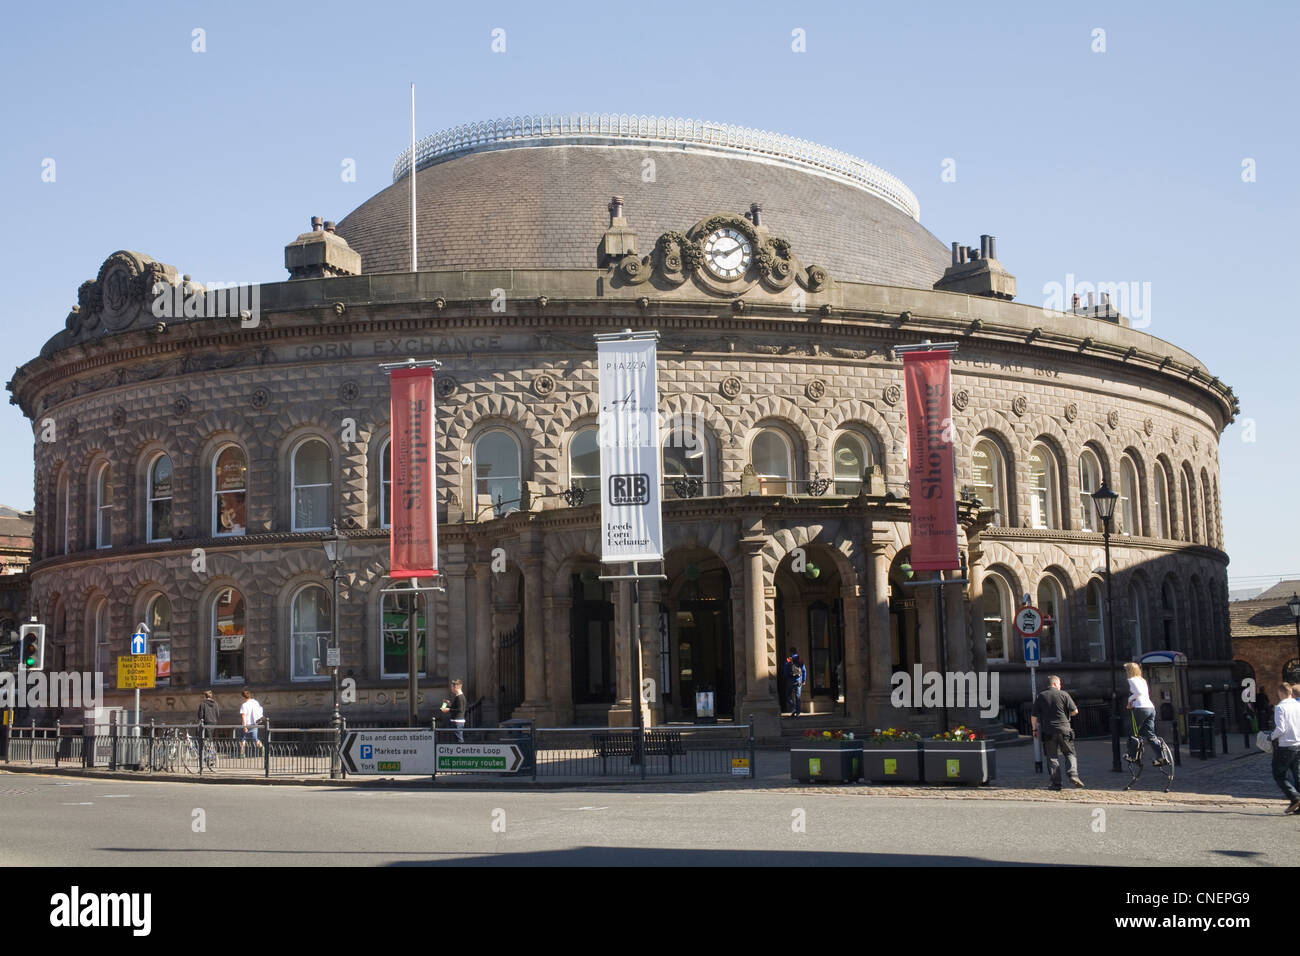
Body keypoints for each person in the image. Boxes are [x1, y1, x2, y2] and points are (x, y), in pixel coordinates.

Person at [1031, 674, 1084, 790]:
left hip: (1048, 731)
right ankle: (1072, 774)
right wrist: (1066, 715)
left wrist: (1034, 729)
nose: (1060, 686)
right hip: (1065, 730)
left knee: (1052, 757)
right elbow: (1075, 711)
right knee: (1070, 753)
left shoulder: (1041, 696)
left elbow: (1034, 716)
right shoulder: (1064, 694)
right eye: (1059, 684)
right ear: (1055, 684)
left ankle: (1056, 784)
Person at [1124, 662, 1166, 766]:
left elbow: (1138, 693)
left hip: (1140, 708)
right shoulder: (1142, 680)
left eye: (1126, 670)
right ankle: (1161, 757)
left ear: (1129, 670)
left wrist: (1129, 701)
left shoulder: (1131, 680)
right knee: (1150, 734)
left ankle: (1132, 756)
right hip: (1150, 708)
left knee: (1134, 733)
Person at [1269, 682, 1300, 814]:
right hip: (1298, 743)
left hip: (1285, 745)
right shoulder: (1298, 705)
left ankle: (1294, 797)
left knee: (1279, 773)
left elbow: (1280, 728)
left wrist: (1270, 736)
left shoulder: (1280, 707)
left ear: (1281, 693)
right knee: (1297, 775)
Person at [239, 689, 265, 757]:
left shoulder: (244, 705)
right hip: (254, 723)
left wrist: (244, 726)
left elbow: (243, 716)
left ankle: (242, 753)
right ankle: (262, 748)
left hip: (247, 724)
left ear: (243, 697)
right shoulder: (255, 702)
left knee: (243, 739)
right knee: (255, 738)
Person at [440, 679, 467, 743]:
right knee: (456, 740)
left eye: (452, 687)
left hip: (457, 722)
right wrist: (449, 704)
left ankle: (459, 752)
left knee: (458, 740)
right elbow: (457, 708)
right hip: (457, 721)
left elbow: (460, 710)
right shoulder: (459, 697)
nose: (451, 688)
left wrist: (448, 709)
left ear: (456, 687)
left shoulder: (460, 697)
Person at [786, 650, 806, 718]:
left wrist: (787, 677)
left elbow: (785, 669)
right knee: (798, 696)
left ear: (791, 652)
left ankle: (793, 708)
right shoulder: (800, 659)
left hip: (791, 680)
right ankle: (798, 712)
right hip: (799, 680)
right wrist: (804, 680)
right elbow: (804, 670)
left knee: (788, 695)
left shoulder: (789, 659)